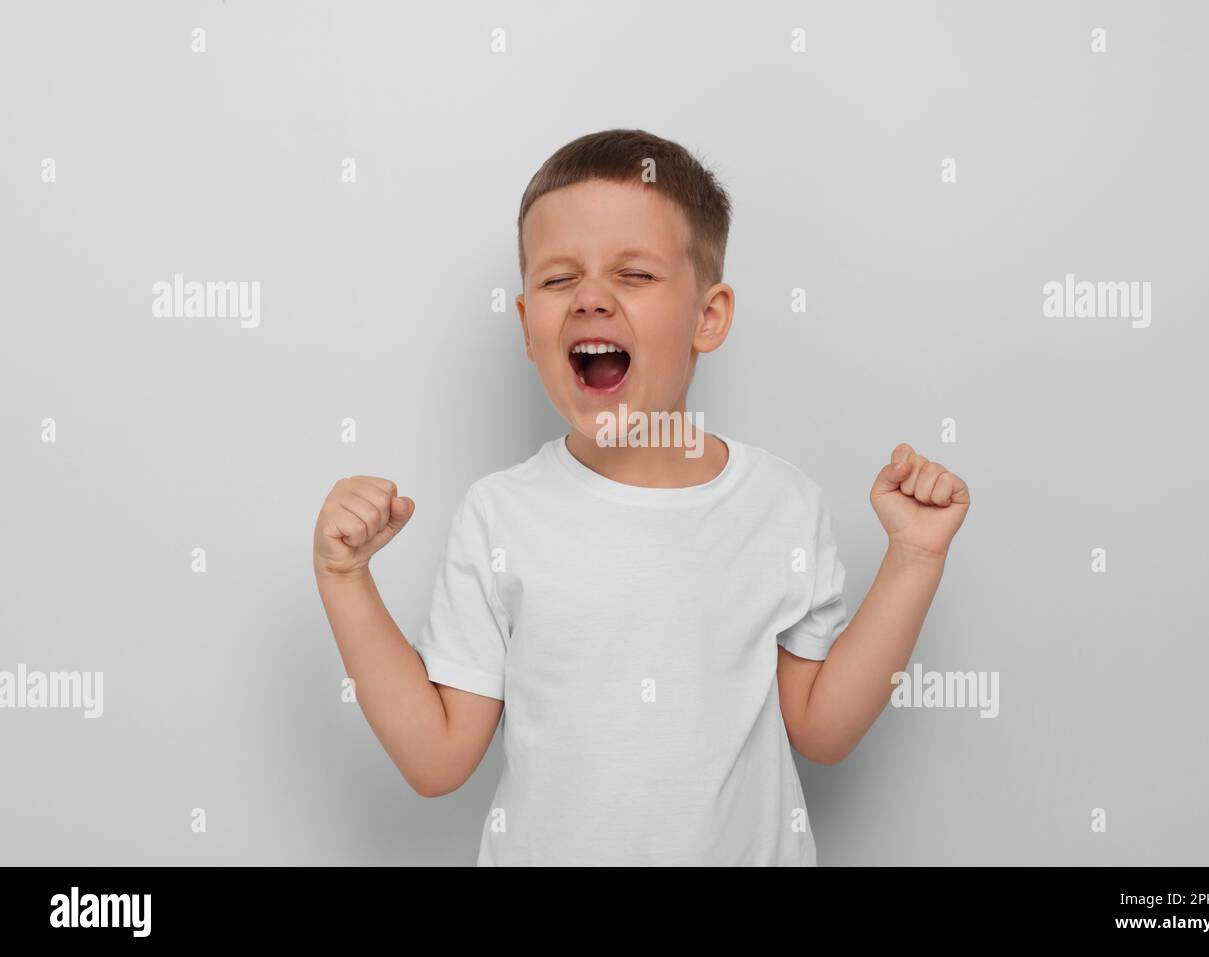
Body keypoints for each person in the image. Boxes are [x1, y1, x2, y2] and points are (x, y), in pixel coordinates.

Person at [312, 128, 971, 865]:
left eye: (634, 274)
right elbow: (436, 759)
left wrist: (913, 558)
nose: (592, 298)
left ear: (708, 317)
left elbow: (823, 730)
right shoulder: (499, 514)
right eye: (560, 279)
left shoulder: (782, 504)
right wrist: (346, 581)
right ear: (529, 326)